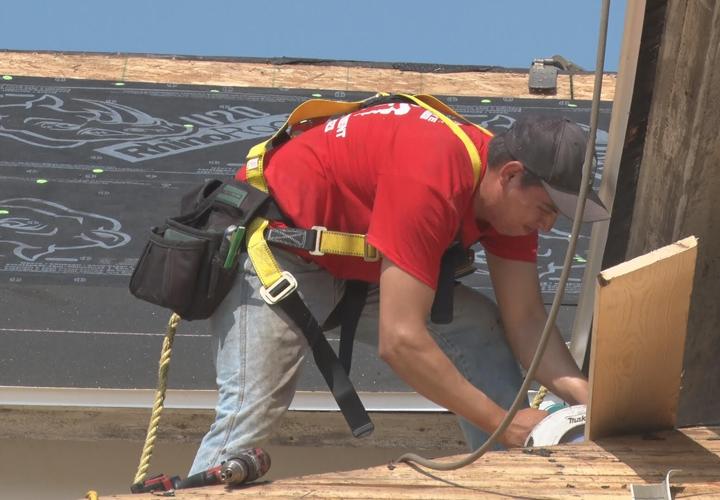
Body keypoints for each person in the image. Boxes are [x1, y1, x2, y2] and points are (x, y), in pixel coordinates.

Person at [188, 100, 609, 475]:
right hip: (280, 253)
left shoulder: (506, 200)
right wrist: (505, 423)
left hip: (356, 267)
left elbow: (526, 319)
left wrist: (589, 398)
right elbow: (401, 341)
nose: (549, 225)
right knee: (250, 411)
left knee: (478, 328)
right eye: (546, 208)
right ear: (511, 175)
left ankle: (511, 479)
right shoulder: (433, 171)